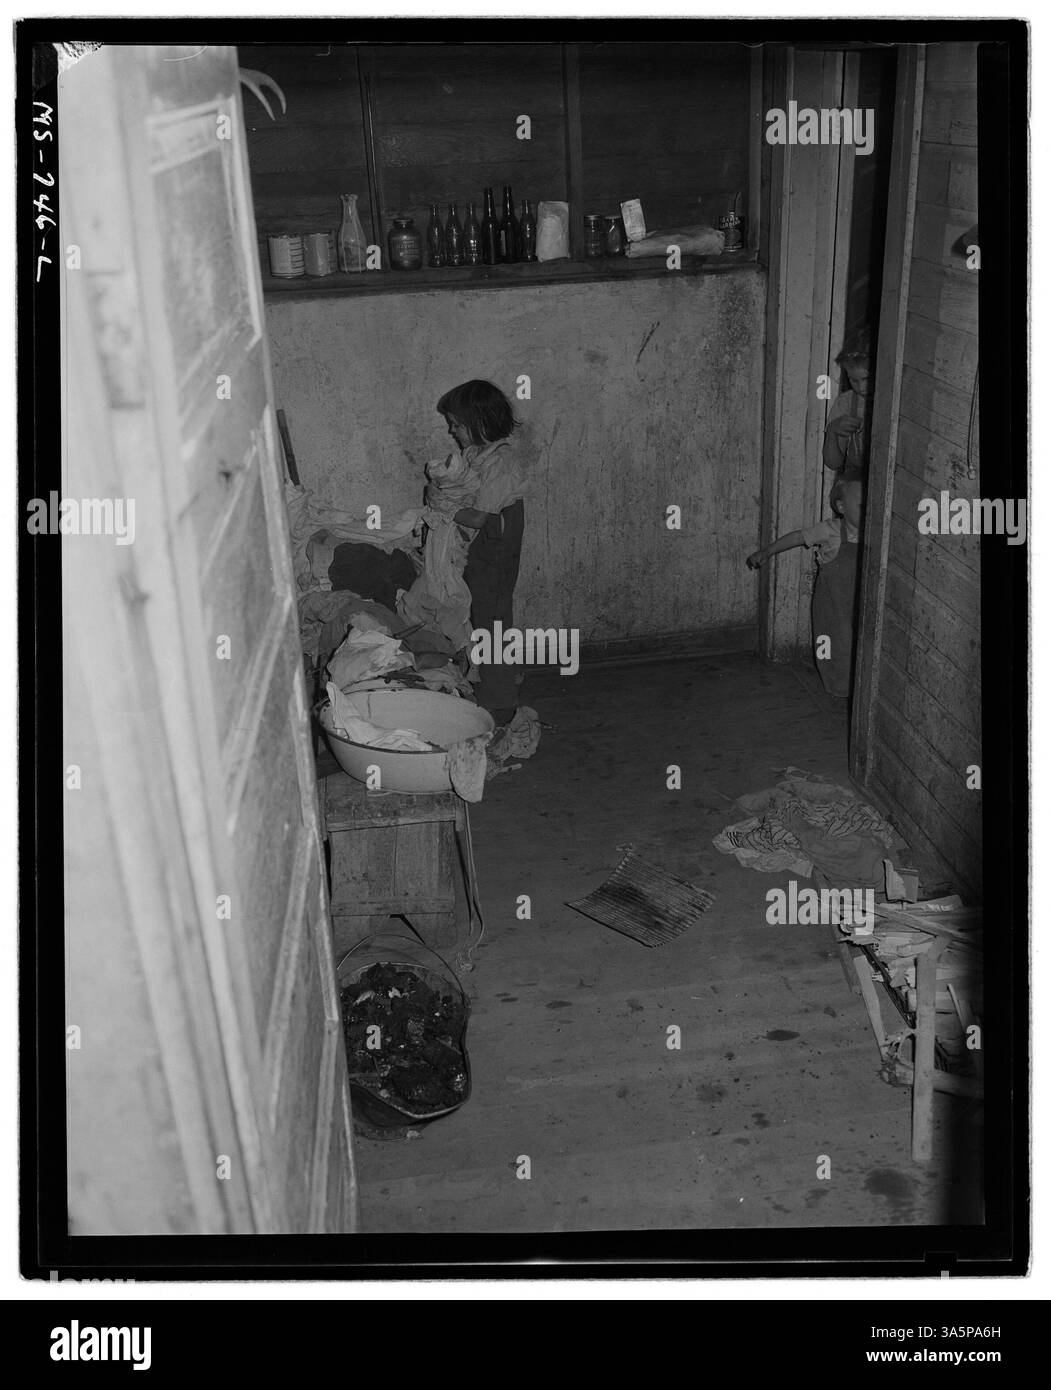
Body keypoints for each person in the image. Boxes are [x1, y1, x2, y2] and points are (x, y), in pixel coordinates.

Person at [429, 380, 528, 727]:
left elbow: (479, 518)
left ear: (480, 423)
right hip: (482, 543)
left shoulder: (502, 463)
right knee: (480, 612)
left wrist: (442, 507)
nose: (451, 431)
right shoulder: (475, 455)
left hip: (496, 542)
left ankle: (500, 703)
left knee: (492, 618)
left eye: (456, 424)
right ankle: (503, 674)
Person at [747, 474, 865, 699]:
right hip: (833, 604)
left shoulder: (875, 534)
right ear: (841, 506)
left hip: (860, 600)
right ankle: (837, 685)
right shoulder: (831, 530)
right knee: (833, 642)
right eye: (861, 503)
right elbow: (797, 538)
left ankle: (861, 688)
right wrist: (766, 552)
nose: (868, 508)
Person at [823, 330, 872, 476]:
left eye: (866, 379)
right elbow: (833, 463)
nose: (861, 388)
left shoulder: (894, 403)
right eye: (853, 380)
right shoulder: (846, 403)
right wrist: (832, 431)